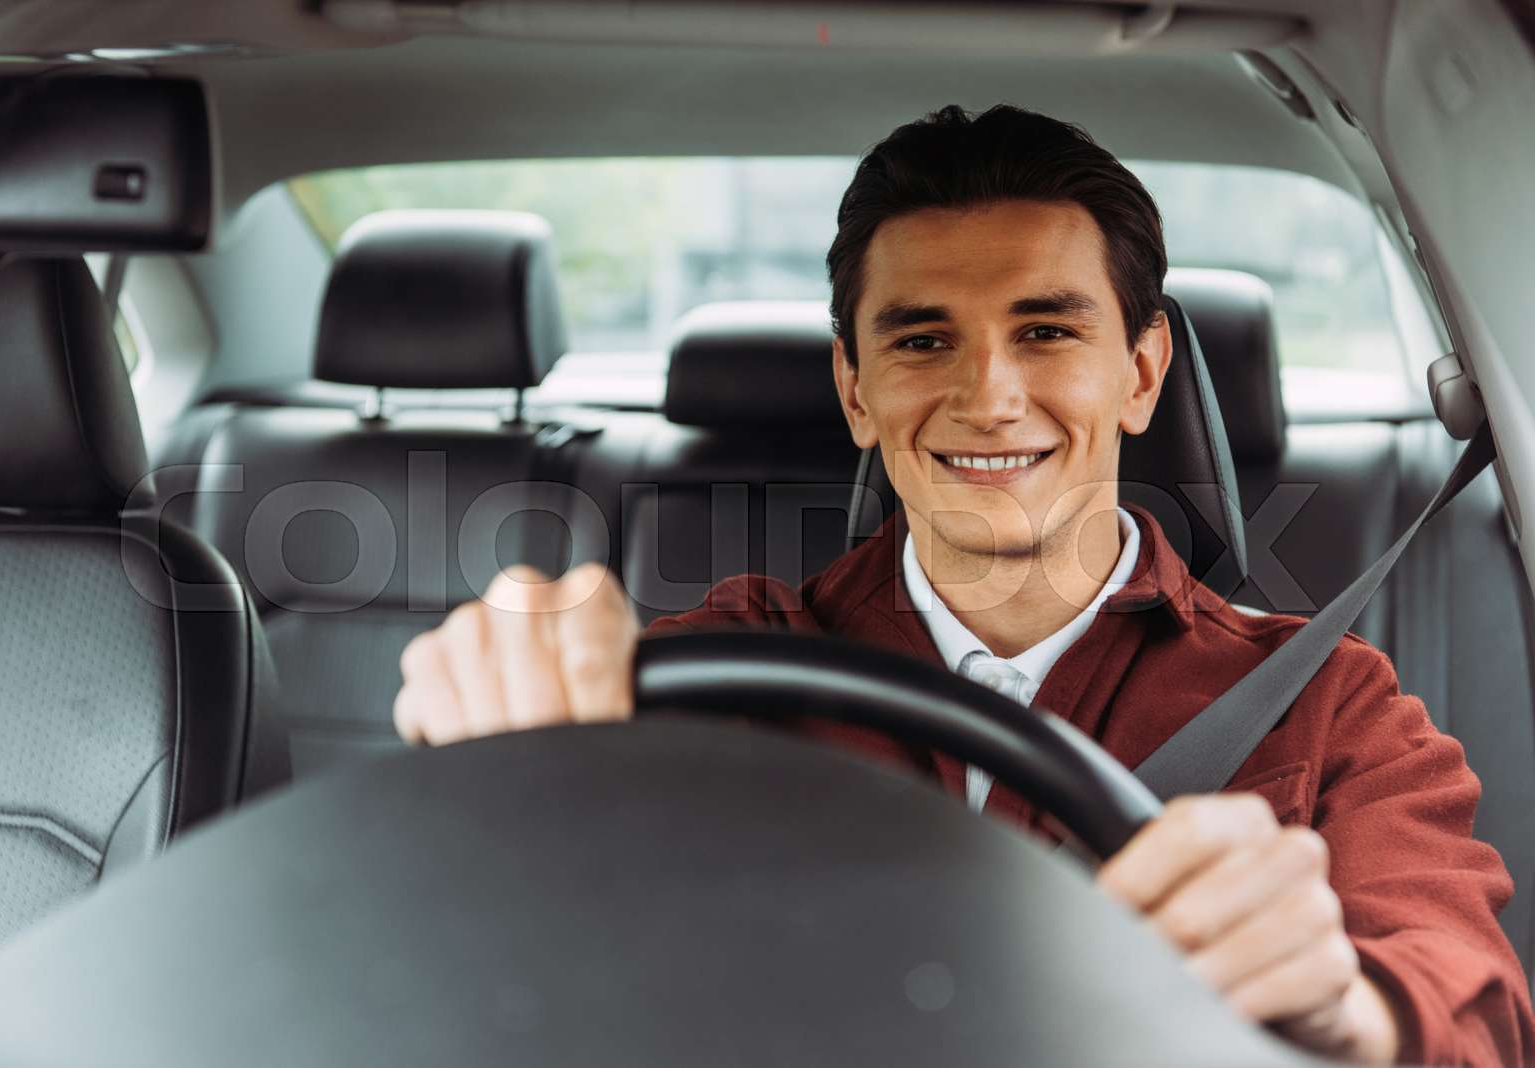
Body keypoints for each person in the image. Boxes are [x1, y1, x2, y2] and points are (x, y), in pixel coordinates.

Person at [391, 104, 1535, 1065]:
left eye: (1044, 331)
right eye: (922, 341)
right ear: (854, 389)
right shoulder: (729, 665)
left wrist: (1344, 1009)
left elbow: (1471, 1006)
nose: (988, 396)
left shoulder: (1329, 703)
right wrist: (506, 726)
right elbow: (524, 928)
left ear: (1139, 374)